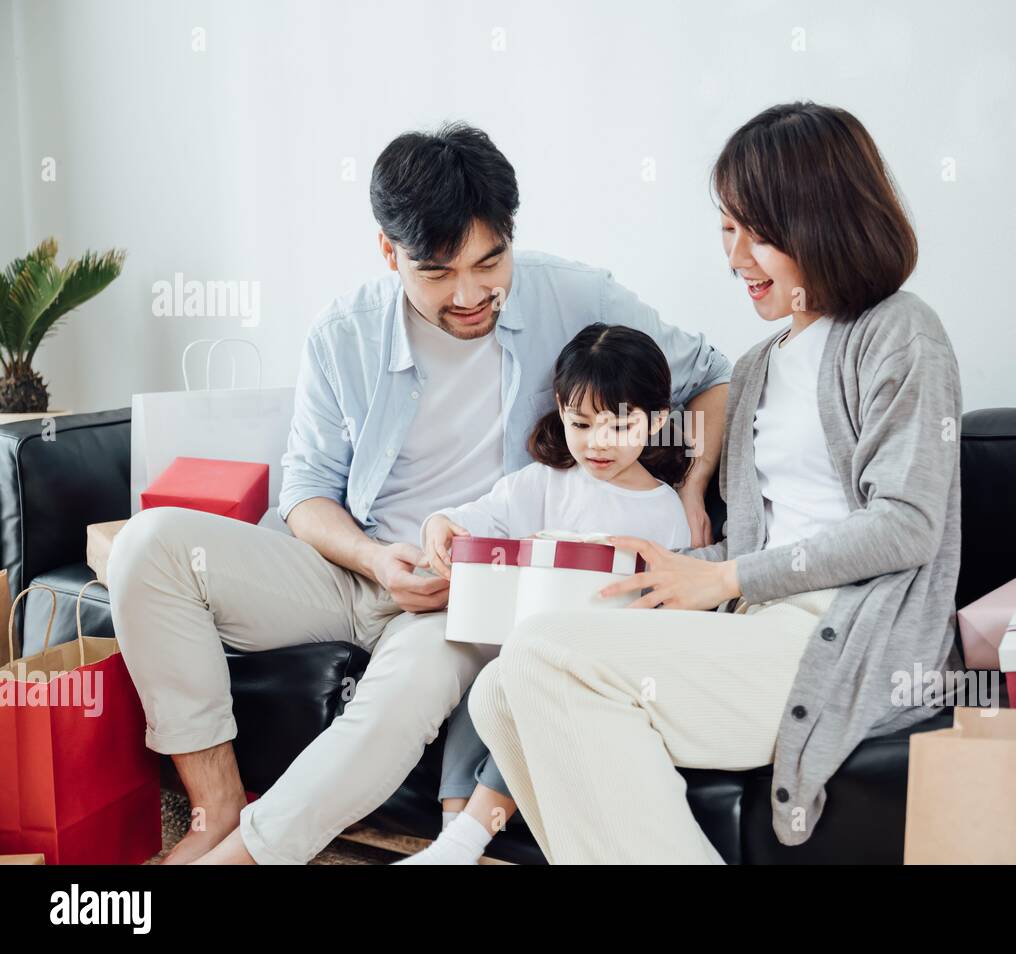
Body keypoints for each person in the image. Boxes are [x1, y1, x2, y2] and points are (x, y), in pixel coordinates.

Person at [107, 122, 730, 865]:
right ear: (388, 251)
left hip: (462, 597)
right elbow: (305, 491)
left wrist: (693, 488)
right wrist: (374, 559)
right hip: (355, 564)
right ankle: (213, 809)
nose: (470, 294)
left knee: (400, 699)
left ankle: (245, 858)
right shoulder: (343, 334)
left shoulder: (577, 295)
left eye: (490, 262)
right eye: (438, 272)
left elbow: (714, 373)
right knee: (148, 548)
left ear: (510, 235)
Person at [467, 101, 964, 863]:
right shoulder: (759, 367)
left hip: (844, 639)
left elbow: (906, 523)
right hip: (755, 622)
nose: (735, 259)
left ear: (820, 221)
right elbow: (766, 542)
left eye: (755, 233)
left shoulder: (899, 330)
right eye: (726, 231)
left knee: (541, 660)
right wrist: (661, 567)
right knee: (497, 691)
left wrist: (725, 574)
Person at [399, 322, 694, 864]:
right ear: (560, 409)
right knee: (487, 685)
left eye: (619, 426)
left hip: (597, 670)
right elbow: (477, 517)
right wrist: (441, 523)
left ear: (656, 421)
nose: (598, 443)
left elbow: (669, 607)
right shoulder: (543, 483)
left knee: (532, 699)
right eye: (581, 424)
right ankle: (452, 840)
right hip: (517, 658)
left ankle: (462, 844)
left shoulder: (665, 512)